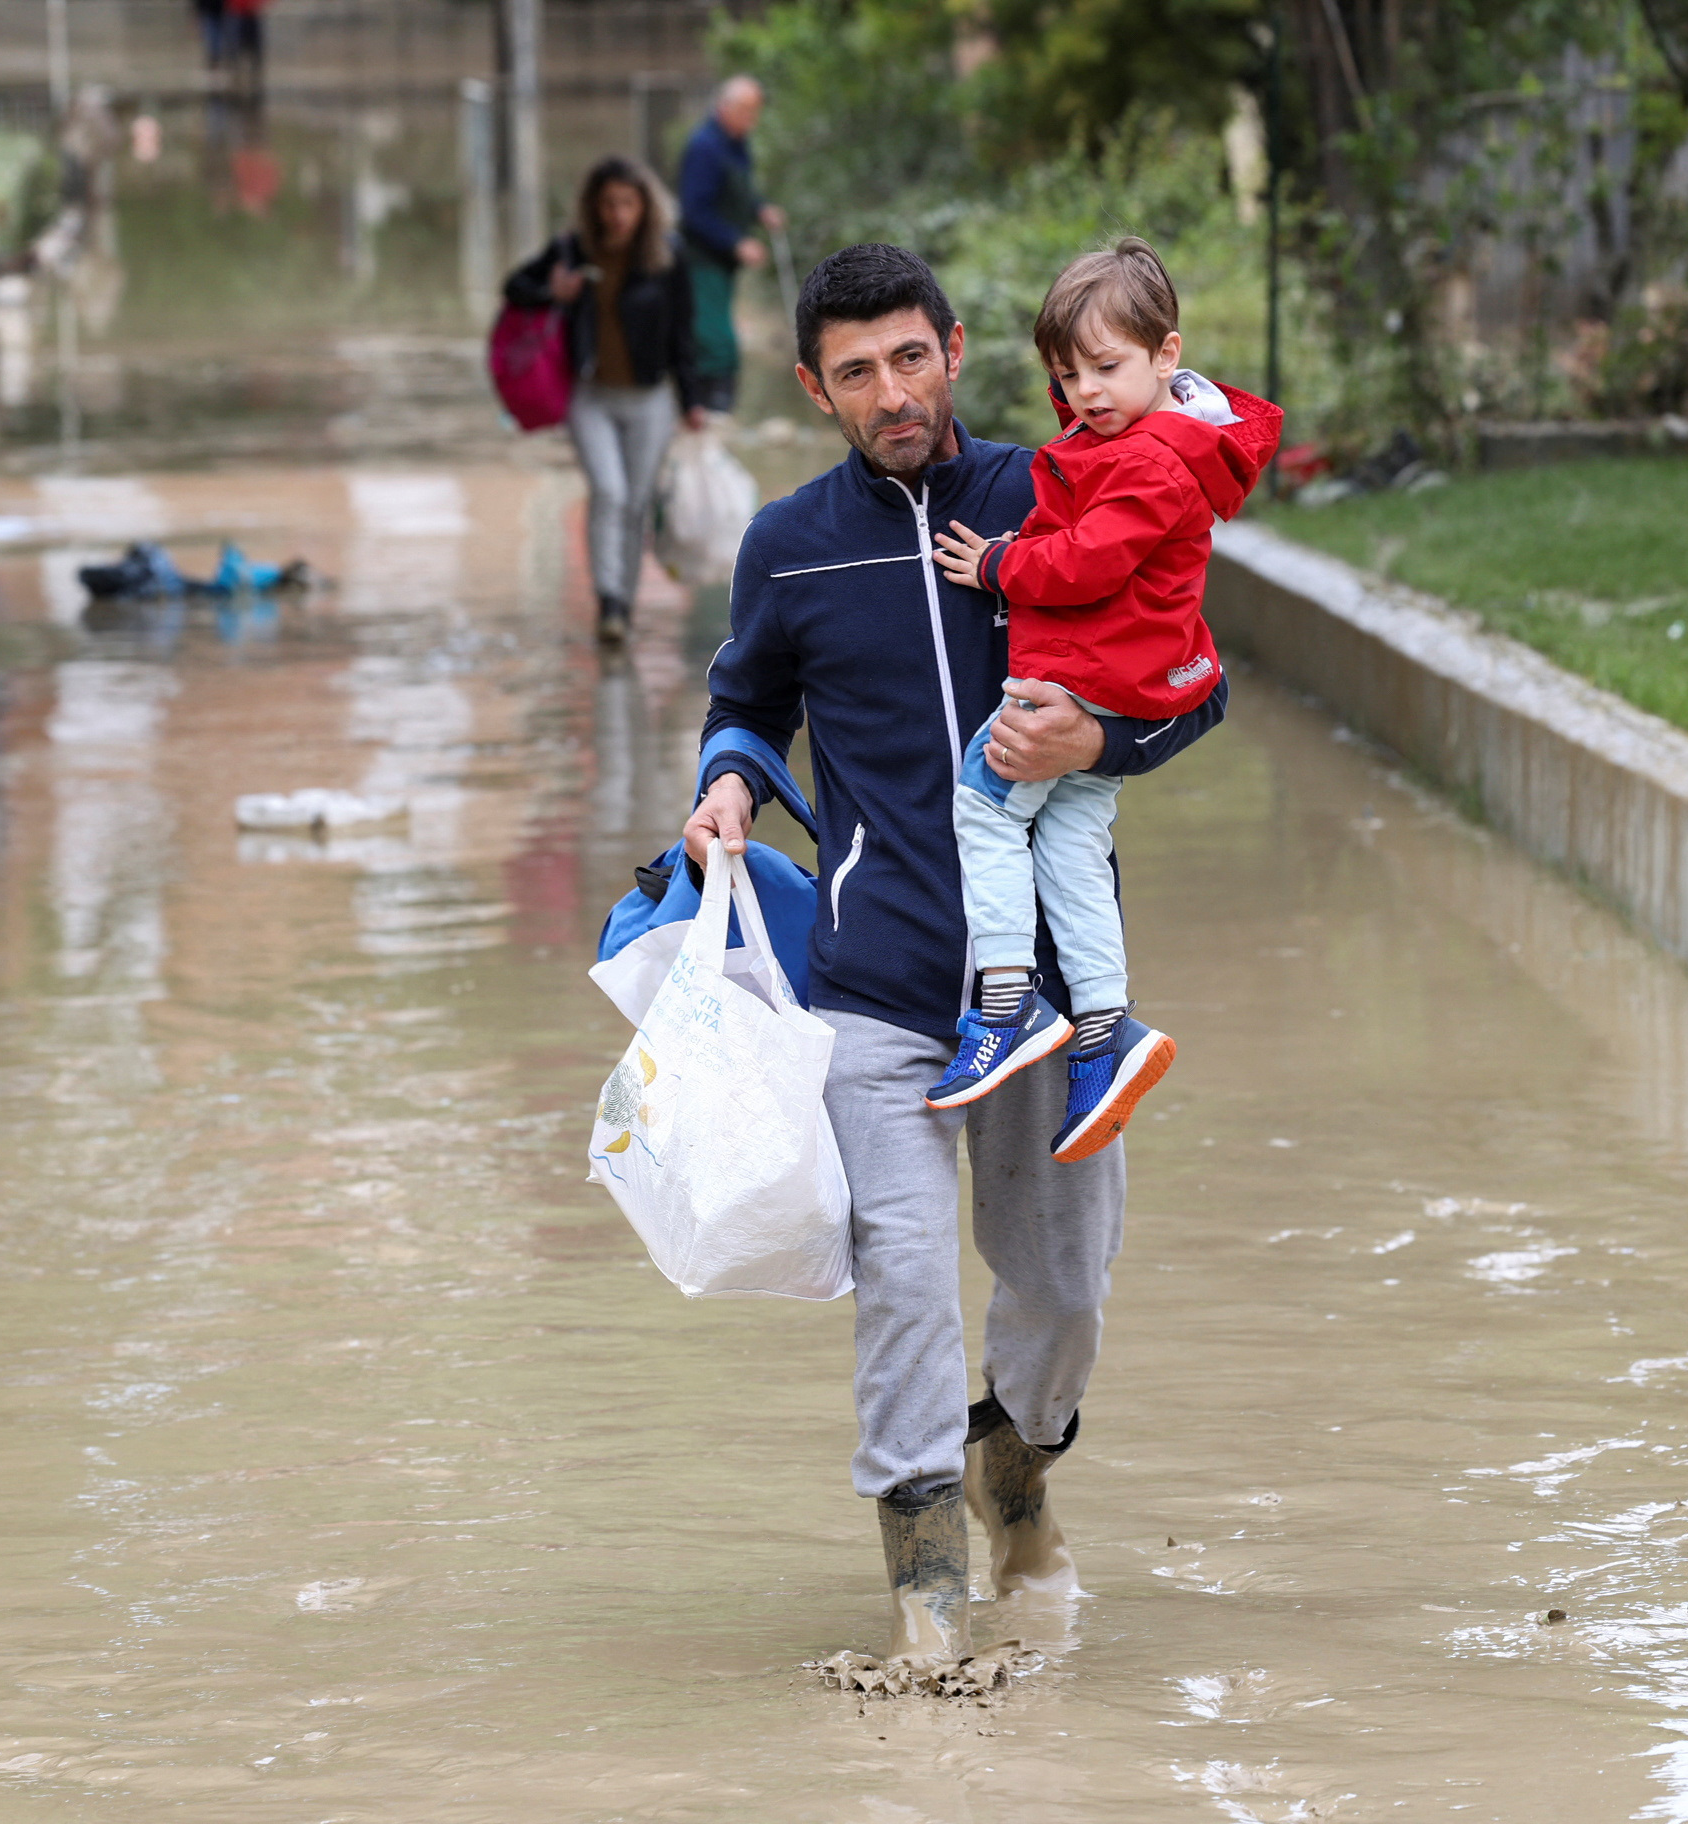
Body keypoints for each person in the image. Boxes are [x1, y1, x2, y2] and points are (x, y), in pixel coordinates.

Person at [682, 244, 1225, 1663]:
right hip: (875, 992)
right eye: (855, 372)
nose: (891, 391)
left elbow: (1192, 679)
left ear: (958, 348)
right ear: (816, 388)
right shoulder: (789, 544)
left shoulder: (1051, 495)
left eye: (910, 357)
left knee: (1062, 1287)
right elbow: (744, 702)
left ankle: (1017, 1469)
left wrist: (1105, 738)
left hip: (1048, 999)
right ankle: (926, 1605)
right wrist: (732, 782)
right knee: (906, 1272)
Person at [920, 239, 1282, 1153]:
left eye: (1107, 368)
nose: (1086, 394)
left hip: (1079, 679)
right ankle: (1102, 1027)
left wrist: (999, 564)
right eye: (1067, 373)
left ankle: (1006, 1002)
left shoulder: (1153, 461)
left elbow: (1086, 563)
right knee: (1075, 843)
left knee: (986, 806)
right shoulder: (1150, 440)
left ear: (1168, 356)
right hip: (1126, 685)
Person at [502, 157, 705, 645]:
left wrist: (693, 400)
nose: (617, 214)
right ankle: (609, 600)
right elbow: (514, 287)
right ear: (594, 206)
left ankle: (624, 607)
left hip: (651, 398)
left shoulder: (667, 256)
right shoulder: (573, 249)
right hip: (589, 395)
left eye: (627, 203)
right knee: (609, 493)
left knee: (636, 503)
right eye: (609, 203)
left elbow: (684, 333)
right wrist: (552, 290)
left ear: (645, 207)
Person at [675, 75, 785, 416]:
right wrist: (736, 242)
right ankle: (706, 411)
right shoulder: (704, 147)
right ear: (726, 107)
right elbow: (694, 211)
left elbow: (740, 190)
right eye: (747, 111)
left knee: (717, 335)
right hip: (701, 260)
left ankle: (717, 414)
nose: (752, 119)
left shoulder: (736, 144)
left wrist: (760, 208)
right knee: (716, 341)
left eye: (755, 112)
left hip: (722, 263)